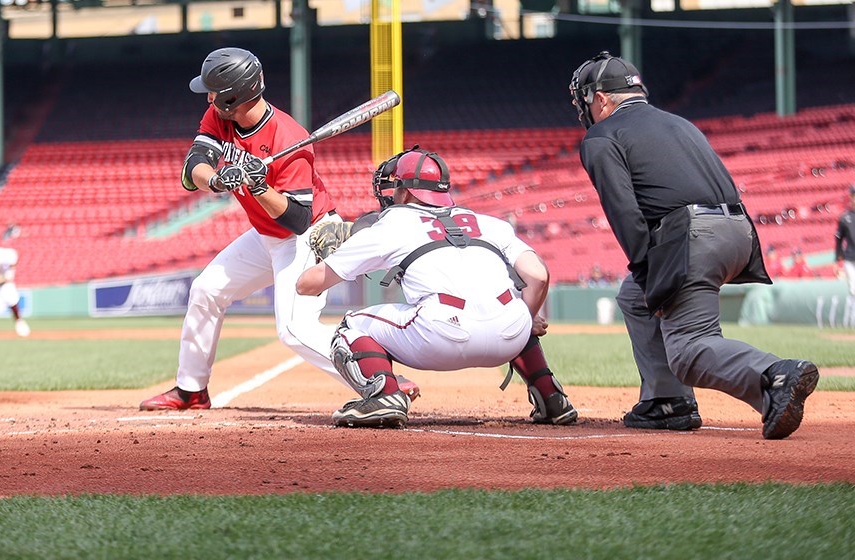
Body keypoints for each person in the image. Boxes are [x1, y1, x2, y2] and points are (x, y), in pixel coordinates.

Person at [139, 47, 418, 410]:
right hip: (266, 234)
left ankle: (381, 378)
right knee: (206, 290)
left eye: (212, 91)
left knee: (294, 330)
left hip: (307, 235)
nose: (207, 97)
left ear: (232, 96)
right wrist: (220, 180)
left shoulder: (288, 138)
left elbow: (298, 219)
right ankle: (191, 390)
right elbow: (195, 166)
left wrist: (259, 187)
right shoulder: (219, 116)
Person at [570, 51, 818, 439]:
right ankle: (666, 401)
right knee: (635, 298)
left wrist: (646, 266)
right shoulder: (679, 123)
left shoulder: (601, 136)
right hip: (738, 229)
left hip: (690, 236)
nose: (584, 108)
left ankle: (774, 374)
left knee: (688, 350)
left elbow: (625, 215)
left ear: (600, 98)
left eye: (585, 99)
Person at [296, 148, 578, 428]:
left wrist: (324, 258)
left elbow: (306, 286)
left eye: (396, 187)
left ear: (405, 192)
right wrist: (527, 320)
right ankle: (551, 396)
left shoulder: (390, 225)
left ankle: (385, 396)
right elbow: (538, 276)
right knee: (511, 310)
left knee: (351, 326)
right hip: (509, 337)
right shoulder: (489, 222)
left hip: (442, 335)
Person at [836, 185, 855, 324]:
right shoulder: (845, 217)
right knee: (853, 289)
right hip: (850, 258)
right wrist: (838, 259)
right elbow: (838, 238)